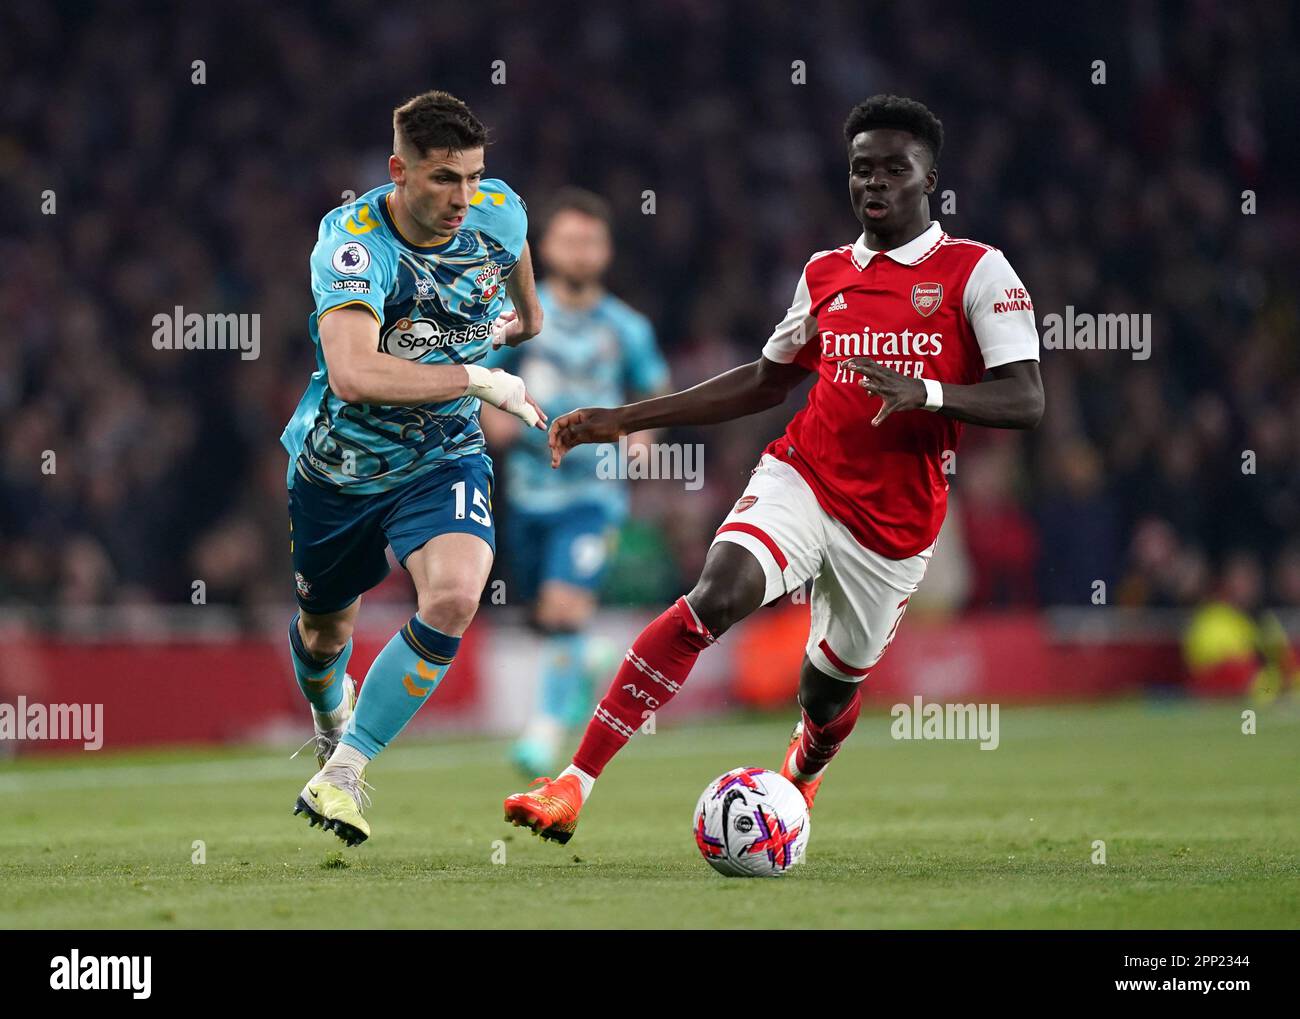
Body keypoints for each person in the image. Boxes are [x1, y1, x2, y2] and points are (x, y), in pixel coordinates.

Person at [503, 94, 1044, 845]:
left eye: (894, 167)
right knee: (714, 595)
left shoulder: (976, 272)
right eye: (862, 170)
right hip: (804, 476)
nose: (875, 183)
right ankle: (573, 780)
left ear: (930, 176)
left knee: (825, 694)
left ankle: (809, 761)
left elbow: (1026, 398)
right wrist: (626, 417)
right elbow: (764, 380)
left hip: (893, 529)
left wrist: (924, 392)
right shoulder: (825, 274)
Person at [281, 90, 546, 846]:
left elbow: (516, 245)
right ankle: (332, 716)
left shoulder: (495, 208)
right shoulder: (353, 244)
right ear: (399, 171)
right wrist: (478, 378)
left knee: (458, 594)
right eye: (441, 179)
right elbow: (355, 375)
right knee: (325, 634)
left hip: (443, 454)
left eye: (472, 176)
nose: (464, 197)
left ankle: (345, 771)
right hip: (341, 467)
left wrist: (527, 320)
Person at [482, 188, 669, 776]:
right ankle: (586, 654)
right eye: (568, 239)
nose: (580, 250)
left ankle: (542, 733)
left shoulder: (626, 327)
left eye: (590, 240)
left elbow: (656, 394)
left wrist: (643, 437)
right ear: (544, 248)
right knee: (546, 614)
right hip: (526, 493)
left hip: (593, 494)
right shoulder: (518, 318)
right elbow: (482, 375)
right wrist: (492, 414)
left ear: (607, 250)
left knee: (564, 607)